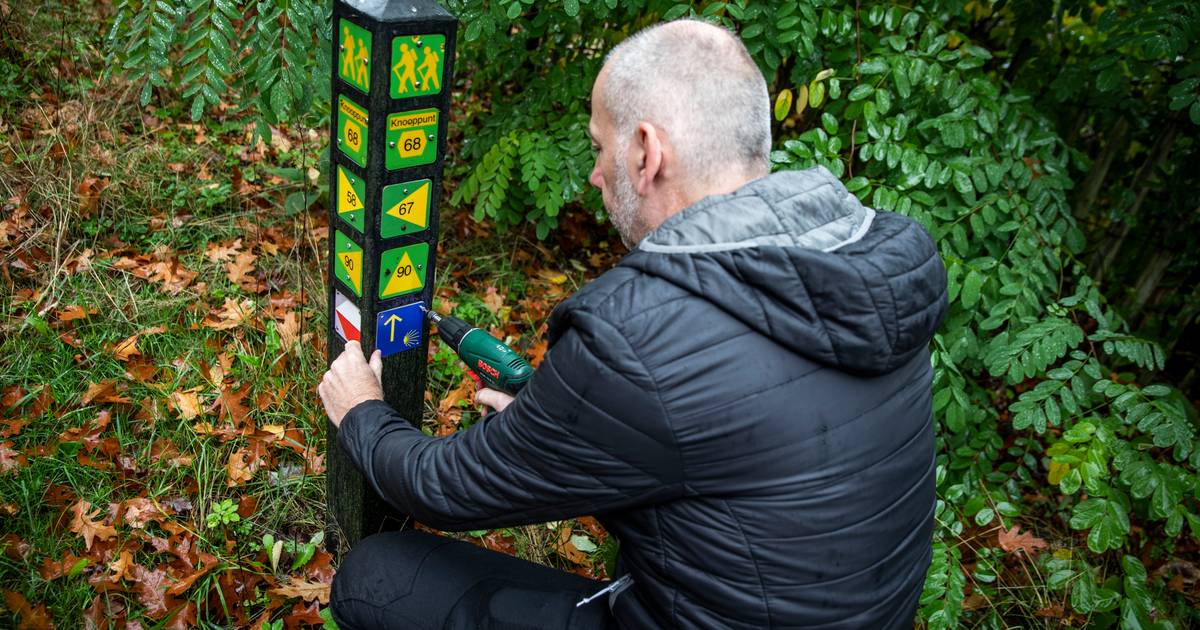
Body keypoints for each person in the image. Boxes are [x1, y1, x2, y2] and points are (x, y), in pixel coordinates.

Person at [319, 19, 947, 630]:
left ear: (646, 151)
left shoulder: (638, 334)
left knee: (374, 577)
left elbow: (443, 490)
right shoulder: (866, 269)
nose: (594, 173)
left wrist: (363, 412)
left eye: (598, 146)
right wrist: (555, 431)